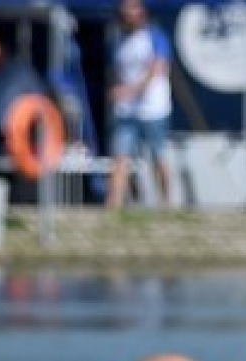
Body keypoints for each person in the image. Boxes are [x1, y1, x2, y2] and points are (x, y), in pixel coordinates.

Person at [106, 0, 172, 211]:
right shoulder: (117, 39)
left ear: (141, 11)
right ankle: (113, 207)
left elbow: (157, 69)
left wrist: (130, 91)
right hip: (126, 111)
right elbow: (117, 71)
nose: (127, 12)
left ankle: (166, 204)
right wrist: (116, 90)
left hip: (153, 109)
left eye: (132, 8)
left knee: (158, 157)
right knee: (120, 156)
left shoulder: (155, 36)